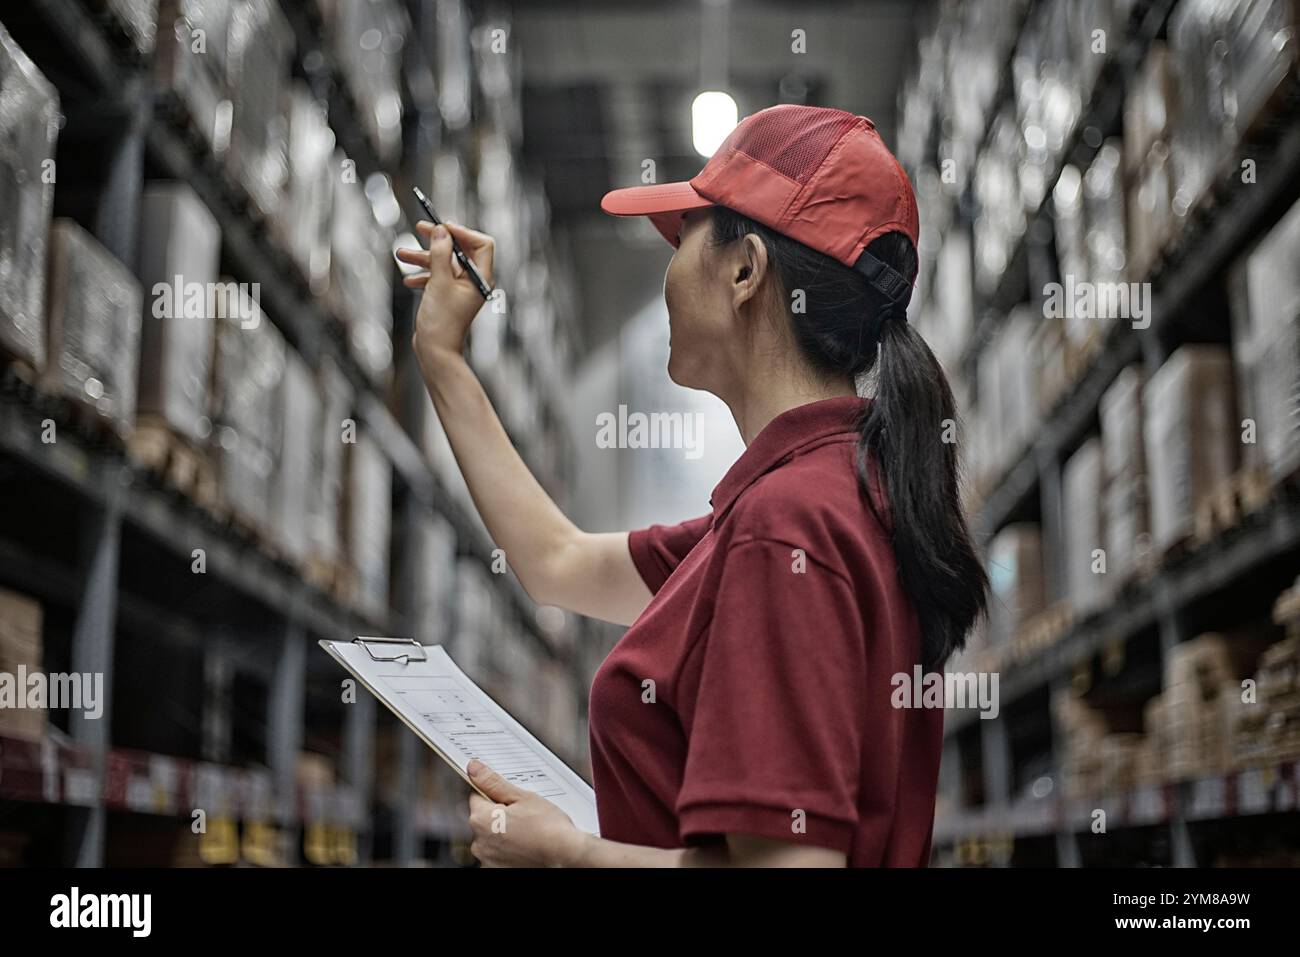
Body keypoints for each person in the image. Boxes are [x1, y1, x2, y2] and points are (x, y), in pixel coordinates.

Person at [395, 104, 988, 867]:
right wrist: (442, 357)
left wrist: (569, 854)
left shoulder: (788, 525)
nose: (669, 268)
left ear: (745, 271)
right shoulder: (823, 499)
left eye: (684, 238)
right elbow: (554, 561)